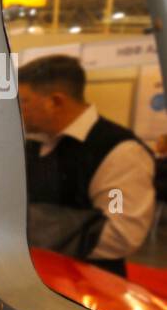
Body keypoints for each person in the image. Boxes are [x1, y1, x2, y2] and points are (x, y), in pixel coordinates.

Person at [19, 54, 154, 276]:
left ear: (55, 102)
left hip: (88, 284)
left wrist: (28, 225)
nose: (17, 111)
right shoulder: (34, 144)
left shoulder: (119, 152)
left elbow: (120, 231)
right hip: (36, 273)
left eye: (23, 101)